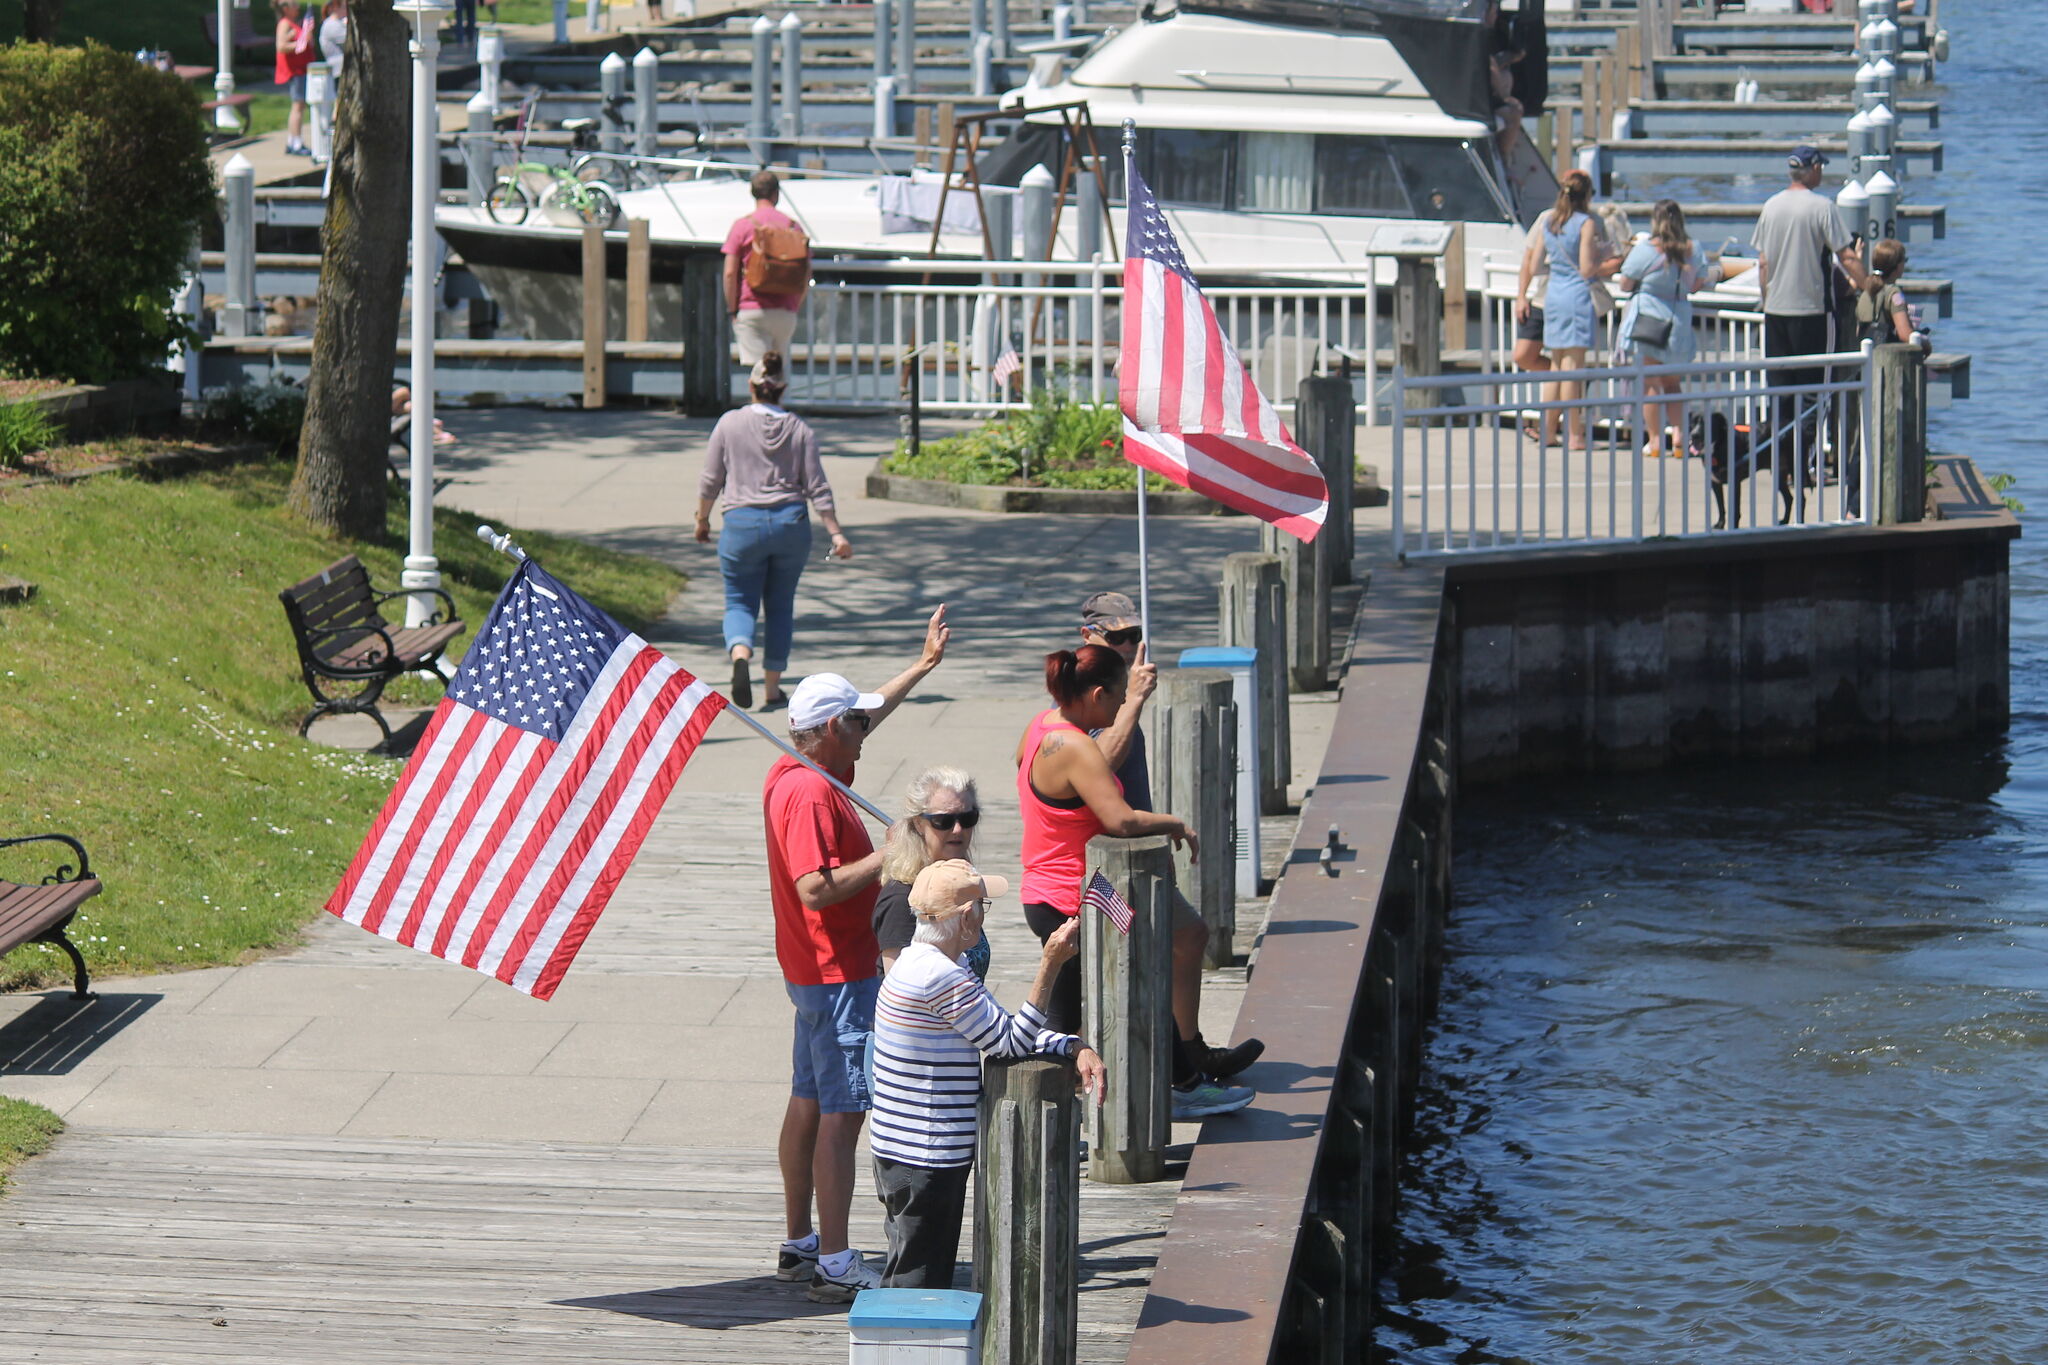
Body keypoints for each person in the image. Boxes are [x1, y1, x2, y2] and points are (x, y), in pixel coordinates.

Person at [764, 611, 948, 1304]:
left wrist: (921, 667)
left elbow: (870, 710)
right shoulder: (812, 790)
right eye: (858, 726)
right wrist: (890, 854)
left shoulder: (794, 764)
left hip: (809, 971)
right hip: (837, 971)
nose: (868, 736)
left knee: (809, 1099)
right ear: (831, 730)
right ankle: (836, 1259)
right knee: (843, 1115)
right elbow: (815, 887)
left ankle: (799, 1237)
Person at [1014, 644, 1254, 1120]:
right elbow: (1120, 820)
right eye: (1119, 697)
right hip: (1075, 898)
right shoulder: (1077, 747)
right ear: (1098, 693)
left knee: (1079, 1008)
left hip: (1044, 889)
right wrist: (1173, 823)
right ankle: (1179, 1088)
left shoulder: (1040, 726)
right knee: (1130, 984)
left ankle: (1074, 1112)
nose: (1123, 705)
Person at [868, 860, 1105, 1289]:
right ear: (963, 919)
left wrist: (1070, 1045)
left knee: (908, 1270)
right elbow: (1010, 1042)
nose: (983, 915)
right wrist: (1050, 964)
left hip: (901, 1150)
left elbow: (998, 1029)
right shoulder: (941, 976)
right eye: (982, 906)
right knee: (917, 1286)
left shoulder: (913, 962)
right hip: (926, 1157)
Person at [1075, 592, 1263, 1084]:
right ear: (1088, 637)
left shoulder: (1115, 683)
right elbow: (1099, 767)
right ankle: (1159, 1074)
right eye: (1117, 637)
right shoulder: (1090, 692)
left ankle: (1188, 1053)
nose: (1128, 645)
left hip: (1136, 851)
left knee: (1187, 934)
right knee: (1104, 975)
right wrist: (1133, 699)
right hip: (1102, 864)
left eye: (1135, 635)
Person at [695, 351, 852, 713]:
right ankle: (771, 689)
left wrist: (701, 520)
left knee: (739, 600)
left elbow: (710, 481)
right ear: (782, 390)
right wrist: (836, 533)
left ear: (751, 386)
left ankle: (740, 653)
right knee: (780, 607)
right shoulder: (800, 430)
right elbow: (817, 486)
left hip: (741, 525)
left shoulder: (729, 424)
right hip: (790, 525)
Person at [1751, 145, 1868, 484]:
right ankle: (1809, 467)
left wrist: (1767, 298)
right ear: (1813, 168)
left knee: (1781, 394)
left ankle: (1783, 468)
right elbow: (1846, 257)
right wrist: (1869, 285)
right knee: (1816, 393)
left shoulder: (1771, 206)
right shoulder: (1822, 207)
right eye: (1821, 167)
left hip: (1775, 312)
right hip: (1813, 312)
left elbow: (1763, 263)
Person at [1614, 201, 1749, 459]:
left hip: (1649, 322)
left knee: (1650, 383)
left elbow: (1625, 283)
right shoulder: (1692, 248)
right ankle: (1678, 436)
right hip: (1679, 321)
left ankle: (1654, 440)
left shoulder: (1645, 249)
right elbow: (1697, 283)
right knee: (1673, 384)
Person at [1527, 169, 1620, 451]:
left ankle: (1548, 431)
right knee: (1573, 367)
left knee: (1556, 365)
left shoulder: (1550, 221)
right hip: (1576, 297)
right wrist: (1607, 258)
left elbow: (1535, 267)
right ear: (1587, 196)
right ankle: (1575, 434)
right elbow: (1586, 269)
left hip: (1553, 294)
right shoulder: (1586, 223)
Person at [874, 767, 991, 979]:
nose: (957, 829)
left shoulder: (960, 880)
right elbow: (901, 997)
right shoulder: (902, 899)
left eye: (967, 818)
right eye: (943, 821)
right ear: (919, 823)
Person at [723, 170, 809, 367]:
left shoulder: (743, 226)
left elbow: (729, 273)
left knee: (759, 372)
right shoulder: (793, 226)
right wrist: (794, 305)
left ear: (753, 193)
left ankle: (762, 398)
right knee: (779, 372)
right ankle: (779, 397)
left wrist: (732, 309)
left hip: (752, 309)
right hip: (786, 311)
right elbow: (805, 273)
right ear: (776, 194)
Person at [273, 1, 316, 157]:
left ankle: (292, 140)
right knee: (298, 106)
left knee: (299, 106)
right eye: (294, 5)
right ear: (286, 8)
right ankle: (296, 142)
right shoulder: (285, 24)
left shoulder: (293, 23)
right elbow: (281, 46)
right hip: (295, 71)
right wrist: (300, 44)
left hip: (302, 69)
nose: (298, 7)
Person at [1855, 238, 1915, 345]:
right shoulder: (1894, 294)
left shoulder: (1865, 292)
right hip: (1886, 356)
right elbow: (1905, 335)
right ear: (1897, 266)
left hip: (1865, 355)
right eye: (1904, 261)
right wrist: (1924, 342)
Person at [318, 0, 348, 78]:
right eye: (344, 7)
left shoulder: (339, 23)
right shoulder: (331, 24)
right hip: (337, 72)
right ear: (334, 7)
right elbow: (348, 38)